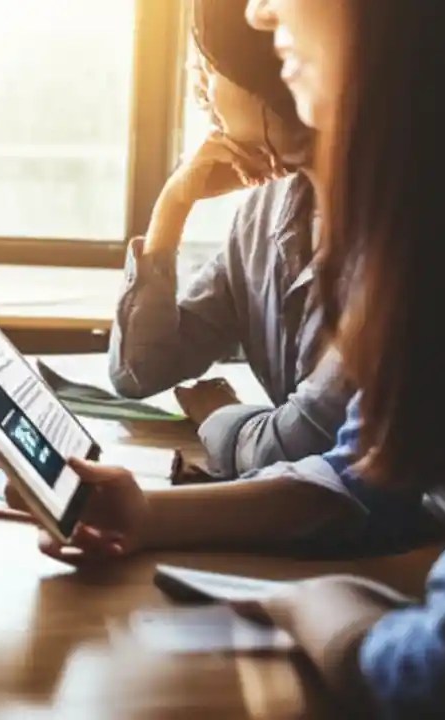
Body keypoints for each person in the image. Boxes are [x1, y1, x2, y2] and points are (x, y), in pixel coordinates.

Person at [19, 0, 445, 712]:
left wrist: (325, 607)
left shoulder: (409, 235)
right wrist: (142, 515)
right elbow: (359, 472)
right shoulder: (283, 215)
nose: (258, 10)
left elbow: (427, 672)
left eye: (206, 69)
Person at [109, 0, 349, 478]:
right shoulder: (265, 213)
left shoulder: (397, 223)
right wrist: (172, 206)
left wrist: (216, 408)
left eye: (209, 66)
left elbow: (295, 450)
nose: (199, 88)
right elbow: (139, 371)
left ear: (270, 74)